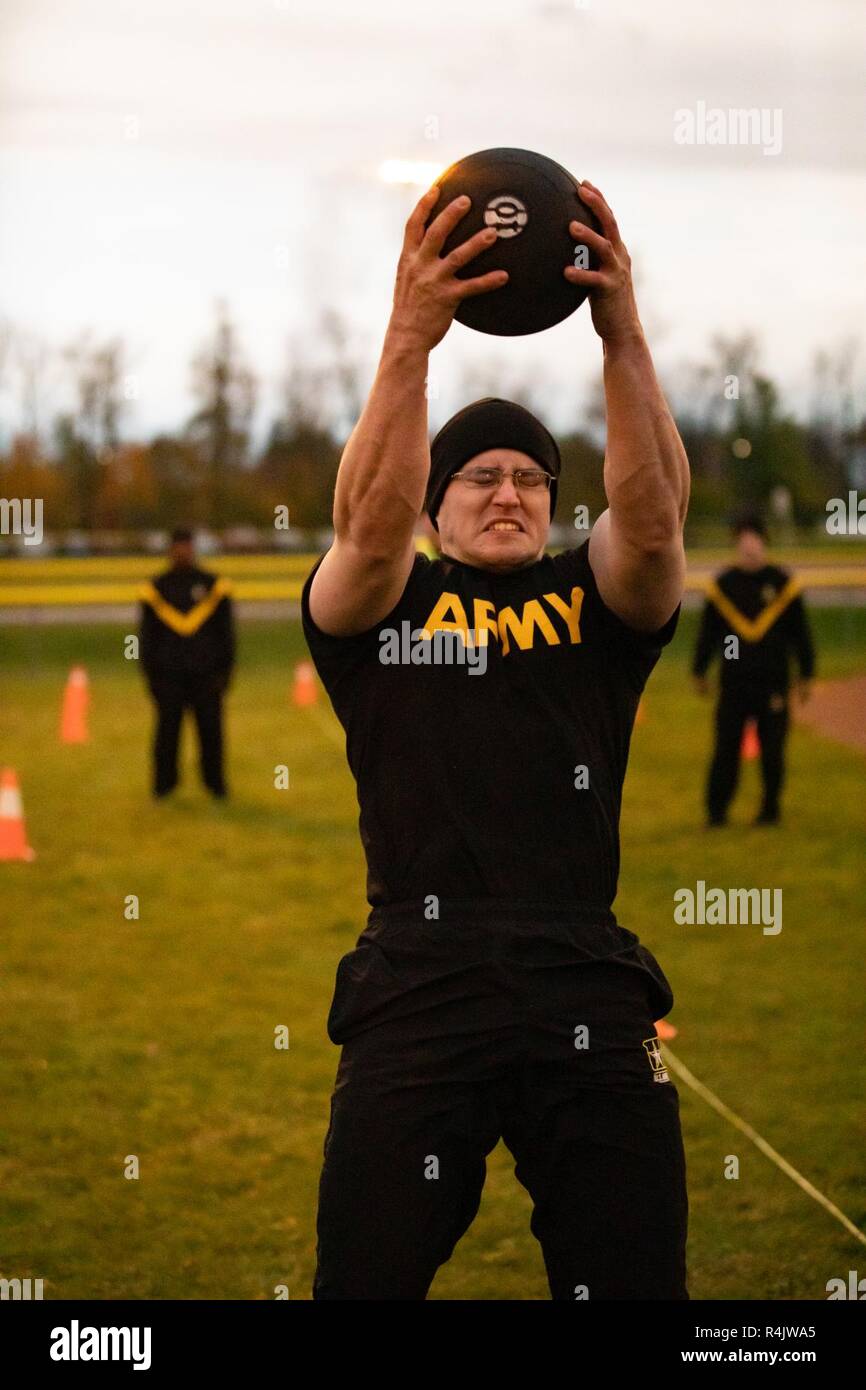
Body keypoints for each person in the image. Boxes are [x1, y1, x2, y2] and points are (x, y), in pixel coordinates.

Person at [301, 179, 691, 1300]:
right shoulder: (384, 607)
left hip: (582, 972)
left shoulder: (598, 603)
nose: (509, 493)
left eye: (530, 478)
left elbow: (655, 518)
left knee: (633, 1280)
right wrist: (410, 334)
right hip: (417, 982)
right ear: (434, 506)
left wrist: (619, 329)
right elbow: (362, 528)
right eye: (478, 477)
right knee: (363, 1277)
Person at [692, 513, 815, 827]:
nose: (748, 544)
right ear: (736, 543)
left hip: (773, 682)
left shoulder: (783, 584)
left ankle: (770, 809)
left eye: (754, 536)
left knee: (773, 750)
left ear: (764, 541)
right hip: (734, 684)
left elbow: (800, 634)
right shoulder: (723, 586)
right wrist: (700, 669)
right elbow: (708, 633)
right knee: (725, 750)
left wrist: (806, 673)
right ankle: (716, 812)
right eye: (742, 537)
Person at [138, 527, 235, 799]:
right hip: (168, 677)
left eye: (187, 545)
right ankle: (164, 786)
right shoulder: (155, 588)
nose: (183, 551)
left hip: (207, 676)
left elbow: (226, 634)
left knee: (212, 734)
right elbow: (146, 637)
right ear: (171, 549)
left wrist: (225, 672)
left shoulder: (215, 585)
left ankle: (215, 785)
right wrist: (150, 675)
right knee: (166, 734)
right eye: (178, 545)